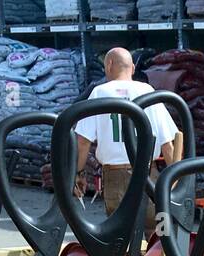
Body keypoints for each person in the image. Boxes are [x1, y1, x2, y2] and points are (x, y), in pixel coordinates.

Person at [73, 47, 178, 217]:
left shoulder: (99, 92)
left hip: (116, 174)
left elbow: (83, 141)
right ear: (133, 68)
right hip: (148, 172)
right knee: (156, 231)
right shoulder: (148, 92)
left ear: (109, 65)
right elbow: (167, 143)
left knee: (120, 232)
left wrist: (78, 173)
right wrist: (177, 181)